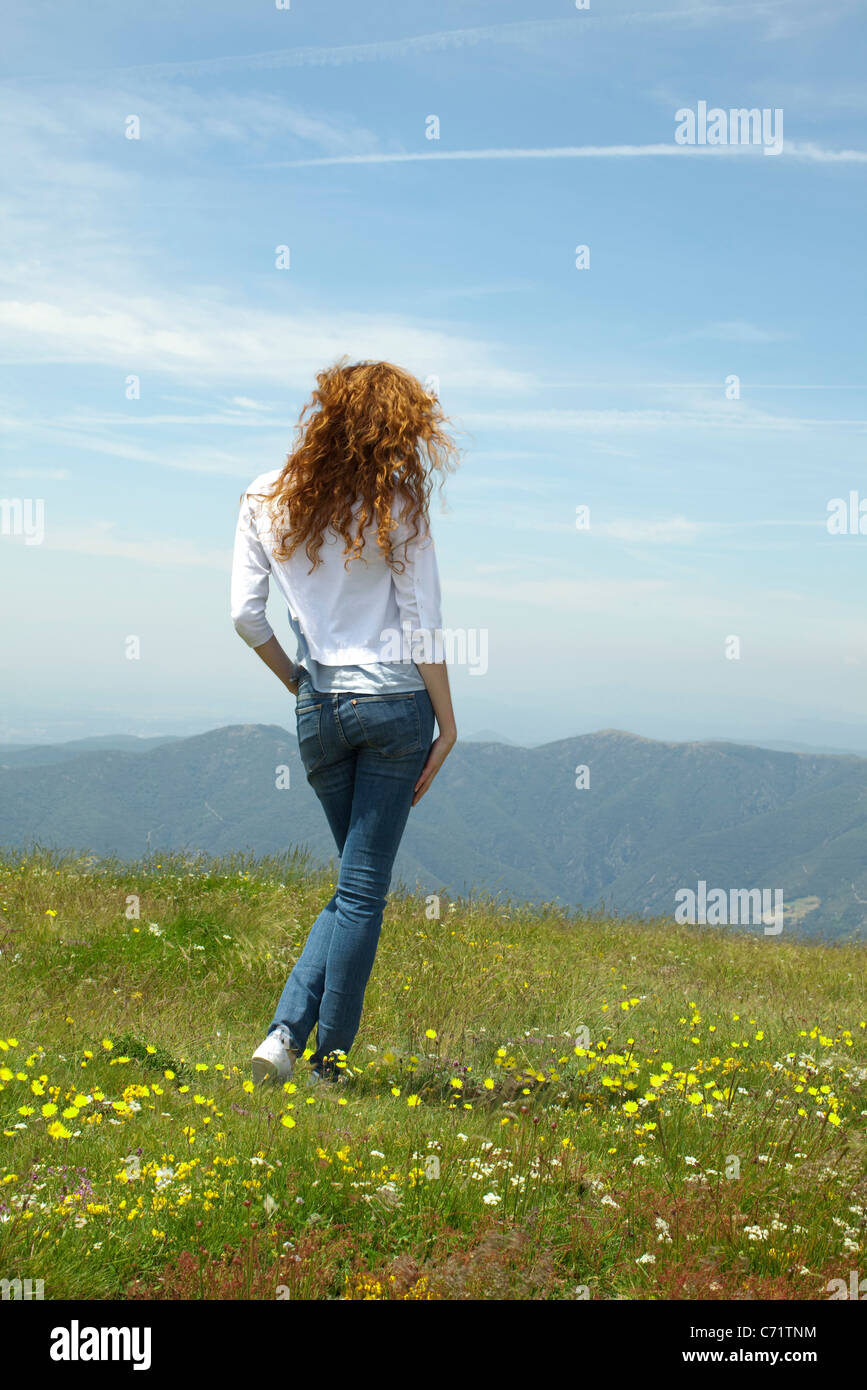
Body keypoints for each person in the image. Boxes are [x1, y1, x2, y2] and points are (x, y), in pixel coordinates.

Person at [230, 358, 459, 1087]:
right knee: (362, 891)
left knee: (350, 886)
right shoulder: (396, 504)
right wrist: (447, 727)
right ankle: (328, 1064)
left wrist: (297, 683)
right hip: (394, 707)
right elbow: (423, 624)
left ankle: (280, 1038)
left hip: (319, 708)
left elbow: (244, 616)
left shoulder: (264, 494)